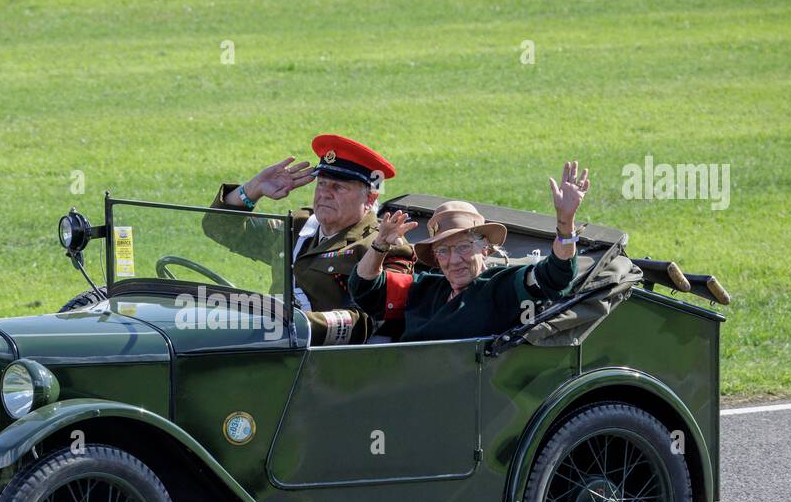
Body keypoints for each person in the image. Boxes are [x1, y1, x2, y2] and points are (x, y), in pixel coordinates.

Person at [202, 134, 415, 345]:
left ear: (370, 198)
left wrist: (291, 324)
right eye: (322, 184)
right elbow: (219, 228)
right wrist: (253, 189)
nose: (325, 194)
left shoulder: (383, 246)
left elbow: (368, 322)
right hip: (273, 345)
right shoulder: (299, 226)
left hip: (326, 362)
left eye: (338, 187)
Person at [349, 161, 590, 341]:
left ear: (485, 248)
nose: (454, 260)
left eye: (463, 247)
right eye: (443, 251)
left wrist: (565, 223)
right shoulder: (425, 289)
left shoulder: (500, 287)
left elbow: (556, 276)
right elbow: (365, 289)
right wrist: (379, 246)